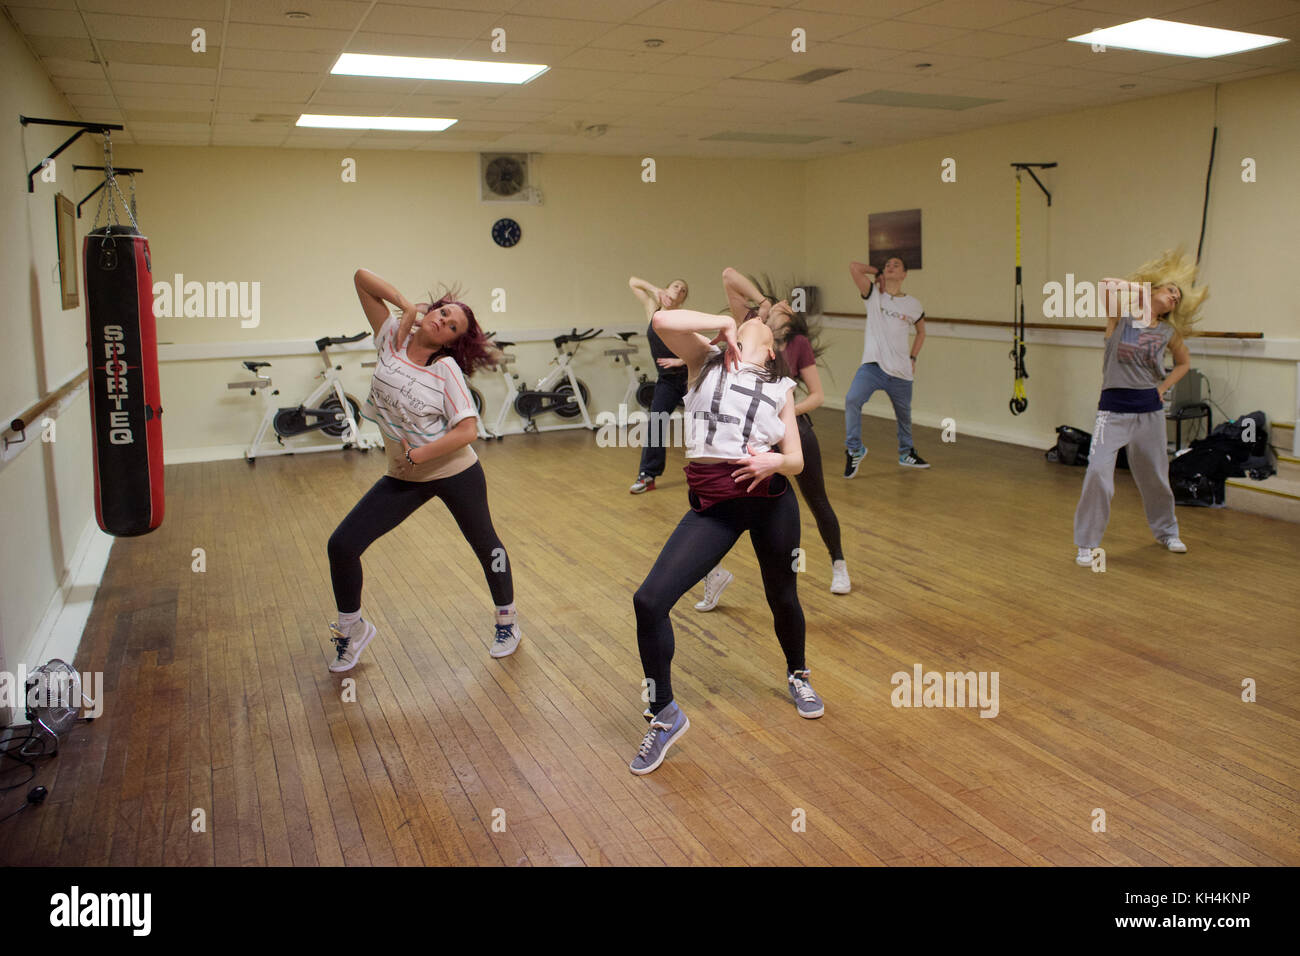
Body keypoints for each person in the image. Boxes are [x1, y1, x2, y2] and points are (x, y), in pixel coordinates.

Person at [629, 300, 822, 777]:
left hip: (771, 501)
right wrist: (722, 324)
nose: (754, 315)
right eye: (749, 315)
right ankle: (665, 713)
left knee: (783, 596)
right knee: (649, 601)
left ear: (772, 349)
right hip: (715, 508)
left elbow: (795, 459)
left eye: (760, 320)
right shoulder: (705, 363)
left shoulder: (780, 387)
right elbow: (661, 320)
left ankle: (798, 673)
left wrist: (775, 462)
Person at [324, 268, 519, 672]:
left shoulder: (445, 370)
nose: (442, 321)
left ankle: (508, 622)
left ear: (451, 341)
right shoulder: (392, 335)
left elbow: (468, 430)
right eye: (443, 312)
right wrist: (406, 305)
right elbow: (361, 277)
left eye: (452, 326)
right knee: (342, 545)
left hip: (453, 471)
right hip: (404, 475)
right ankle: (352, 628)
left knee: (486, 546)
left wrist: (421, 456)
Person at [696, 269, 849, 610]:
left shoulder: (797, 345)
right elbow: (728, 276)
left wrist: (781, 416)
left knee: (817, 500)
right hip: (752, 438)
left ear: (792, 322)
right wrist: (763, 304)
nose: (783, 304)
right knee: (721, 503)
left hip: (791, 431)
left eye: (789, 308)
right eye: (779, 302)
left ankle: (838, 563)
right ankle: (713, 573)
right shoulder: (749, 325)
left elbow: (818, 396)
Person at [1074, 249, 1207, 565]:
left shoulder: (1167, 332)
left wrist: (1162, 388)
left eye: (1178, 295)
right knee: (1097, 473)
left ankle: (1167, 532)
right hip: (1112, 412)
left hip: (1149, 411)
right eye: (1170, 289)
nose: (1175, 297)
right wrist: (1141, 291)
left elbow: (1184, 363)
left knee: (1155, 477)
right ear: (1154, 288)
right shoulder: (1120, 317)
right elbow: (1106, 283)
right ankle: (1086, 543)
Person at [844, 256, 928, 476]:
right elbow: (854, 267)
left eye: (896, 265)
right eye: (888, 265)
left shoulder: (913, 304)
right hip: (872, 367)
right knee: (852, 399)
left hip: (901, 370)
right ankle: (854, 449)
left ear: (904, 274)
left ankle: (906, 453)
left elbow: (921, 331)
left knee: (904, 416)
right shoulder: (873, 295)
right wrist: (877, 272)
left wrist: (913, 358)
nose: (891, 267)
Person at [626, 276, 689, 493]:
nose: (678, 290)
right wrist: (655, 290)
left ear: (682, 299)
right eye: (675, 286)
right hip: (667, 381)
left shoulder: (683, 317)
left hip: (691, 376)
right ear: (667, 288)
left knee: (708, 421)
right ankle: (647, 475)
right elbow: (633, 281)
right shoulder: (653, 309)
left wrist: (680, 360)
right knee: (657, 421)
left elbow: (702, 348)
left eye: (682, 290)